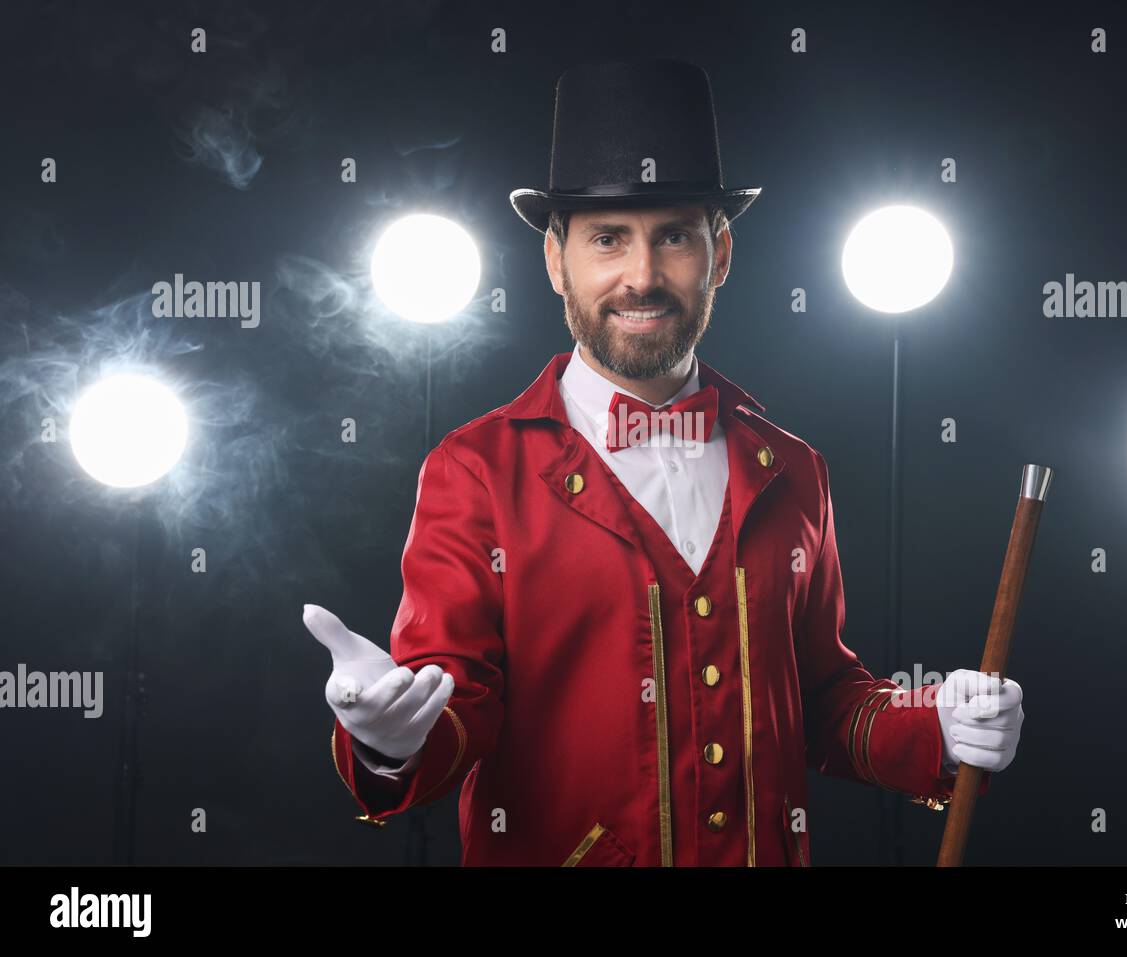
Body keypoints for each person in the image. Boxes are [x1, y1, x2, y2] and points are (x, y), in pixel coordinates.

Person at [305, 57, 1023, 866]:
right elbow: (457, 703)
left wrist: (936, 725)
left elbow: (820, 699)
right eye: (608, 239)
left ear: (719, 254)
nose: (641, 277)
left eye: (673, 236)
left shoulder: (793, 469)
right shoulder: (473, 469)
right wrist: (391, 740)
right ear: (555, 261)